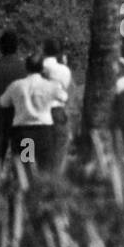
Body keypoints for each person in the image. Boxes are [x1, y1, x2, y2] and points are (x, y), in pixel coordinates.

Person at [0, 54, 66, 172]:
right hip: (44, 132)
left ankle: (26, 189)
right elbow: (63, 97)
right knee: (44, 168)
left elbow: (3, 102)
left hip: (25, 133)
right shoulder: (49, 85)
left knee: (27, 167)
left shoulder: (17, 85)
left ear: (26, 67)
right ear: (42, 68)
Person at [0, 30, 26, 161]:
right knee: (26, 156)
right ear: (17, 47)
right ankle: (27, 177)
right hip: (22, 116)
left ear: (1, 46)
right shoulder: (24, 66)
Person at [41, 41, 72, 175]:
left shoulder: (36, 68)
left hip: (33, 118)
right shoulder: (63, 70)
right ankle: (54, 179)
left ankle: (29, 177)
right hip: (57, 111)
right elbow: (65, 90)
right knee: (59, 148)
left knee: (32, 152)